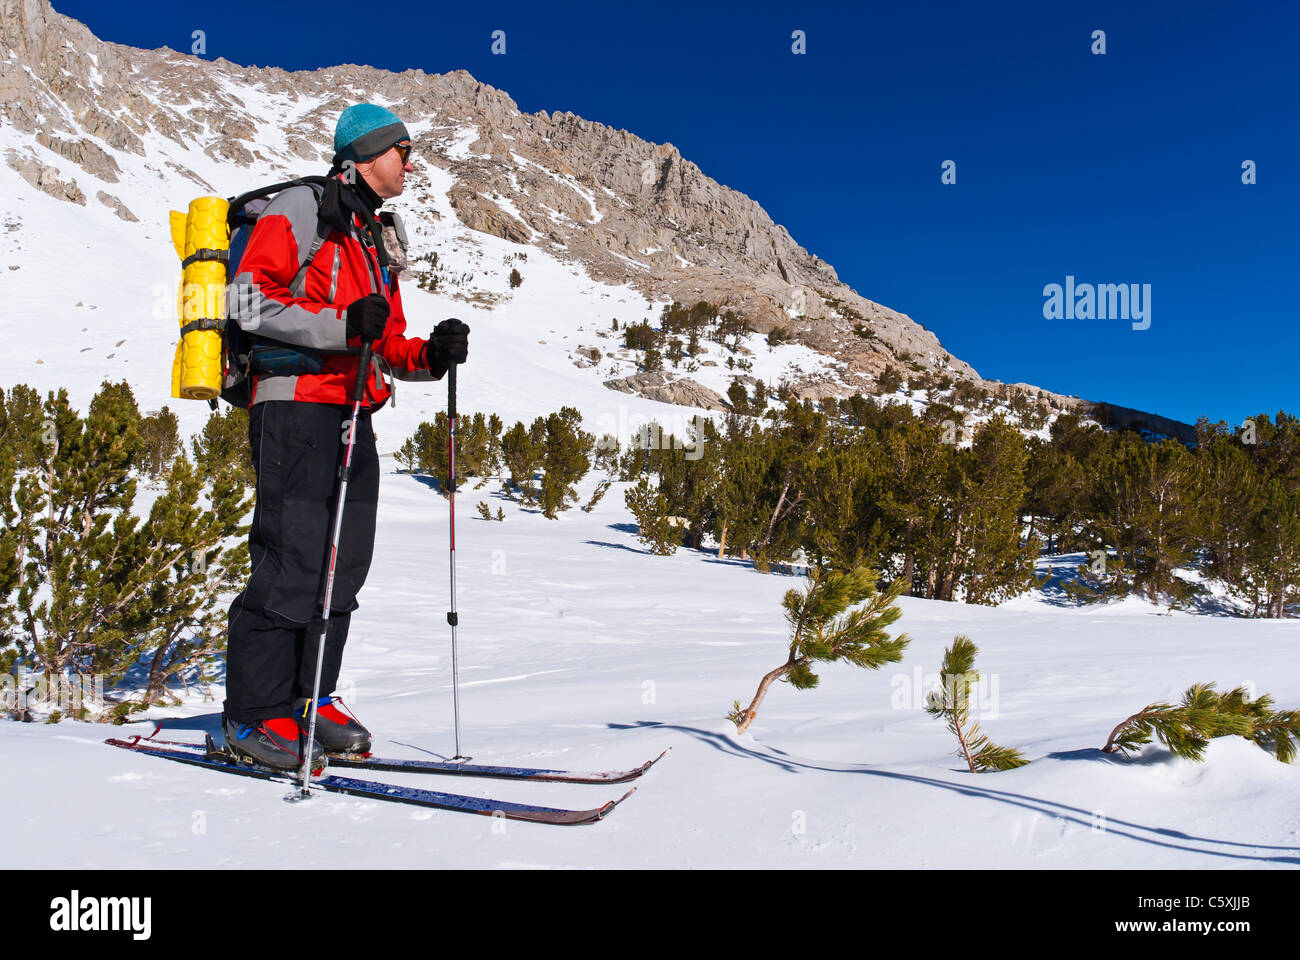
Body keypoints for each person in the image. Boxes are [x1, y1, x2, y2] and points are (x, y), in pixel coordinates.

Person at [221, 103, 470, 769]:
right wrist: (341, 327)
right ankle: (252, 715)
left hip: (352, 413)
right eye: (401, 152)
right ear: (360, 156)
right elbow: (246, 302)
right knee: (292, 557)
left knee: (343, 565)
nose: (410, 165)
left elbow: (382, 341)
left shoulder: (372, 237)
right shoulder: (301, 208)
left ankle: (312, 698)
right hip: (295, 406)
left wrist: (430, 356)